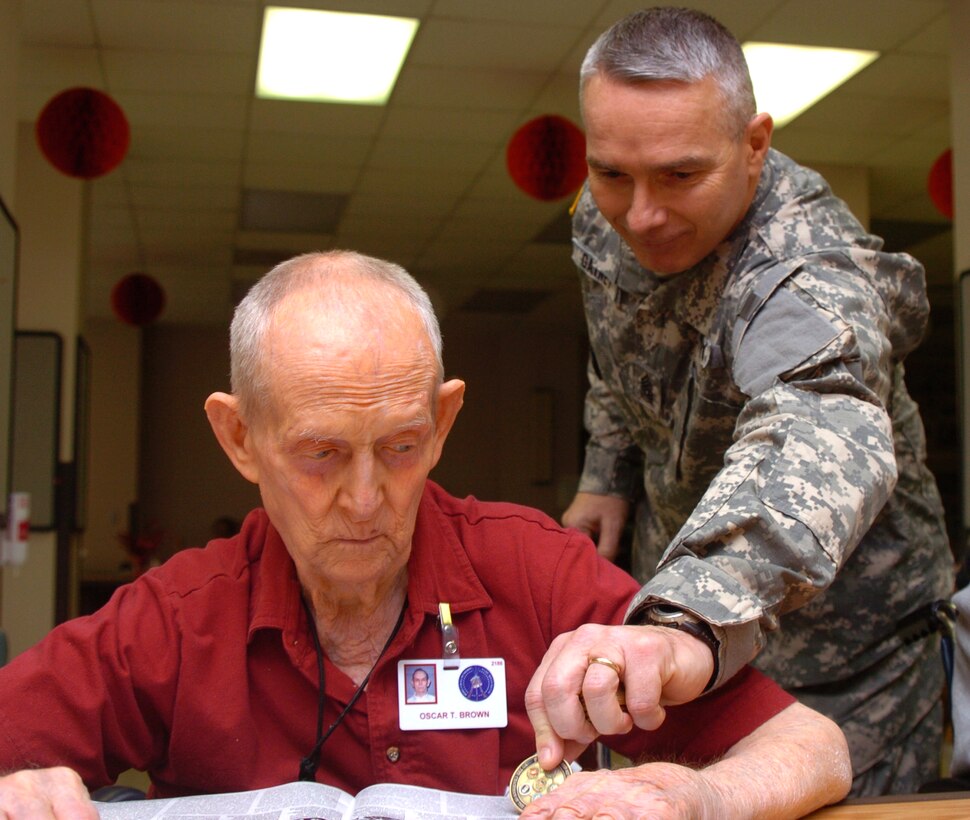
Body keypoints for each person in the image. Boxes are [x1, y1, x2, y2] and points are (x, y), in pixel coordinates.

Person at [0, 251, 850, 818]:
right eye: (321, 455)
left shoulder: (537, 572)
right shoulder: (175, 620)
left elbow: (814, 747)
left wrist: (693, 799)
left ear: (443, 422)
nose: (366, 499)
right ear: (239, 439)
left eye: (402, 447)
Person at [553, 5, 954, 797]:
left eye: (680, 175)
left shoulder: (807, 268)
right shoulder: (604, 227)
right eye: (612, 175)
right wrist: (607, 472)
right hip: (693, 647)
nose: (641, 215)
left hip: (850, 658)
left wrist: (683, 620)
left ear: (754, 144)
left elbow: (814, 430)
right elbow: (616, 351)